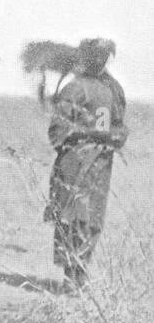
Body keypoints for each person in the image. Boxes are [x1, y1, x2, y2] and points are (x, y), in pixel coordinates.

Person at [44, 38, 126, 289]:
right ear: (86, 56)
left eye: (104, 56)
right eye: (95, 55)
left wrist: (111, 137)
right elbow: (57, 131)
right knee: (71, 217)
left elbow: (120, 127)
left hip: (100, 166)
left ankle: (80, 273)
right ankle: (71, 277)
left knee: (92, 220)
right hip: (74, 165)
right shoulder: (75, 88)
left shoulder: (114, 89)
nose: (99, 60)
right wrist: (89, 135)